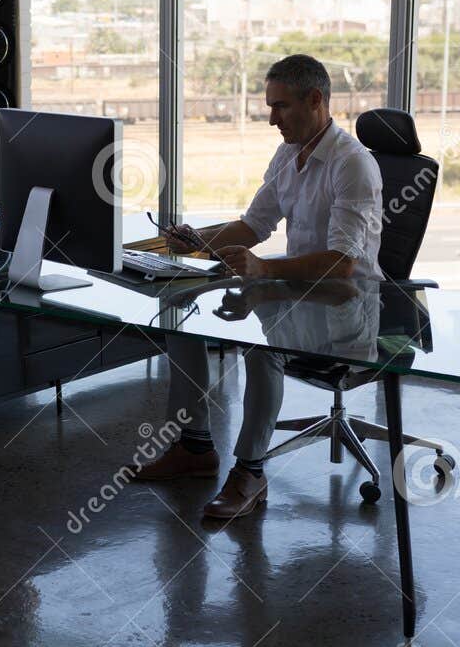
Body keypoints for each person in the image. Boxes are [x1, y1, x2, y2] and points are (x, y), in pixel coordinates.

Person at [133, 53, 384, 519]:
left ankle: (250, 471)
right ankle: (195, 447)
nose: (272, 119)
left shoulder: (353, 164)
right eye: (270, 107)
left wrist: (265, 271)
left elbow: (344, 266)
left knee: (261, 351)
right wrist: (188, 243)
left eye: (280, 107)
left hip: (347, 308)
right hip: (291, 292)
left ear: (316, 100)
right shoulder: (289, 153)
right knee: (179, 316)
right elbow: (253, 226)